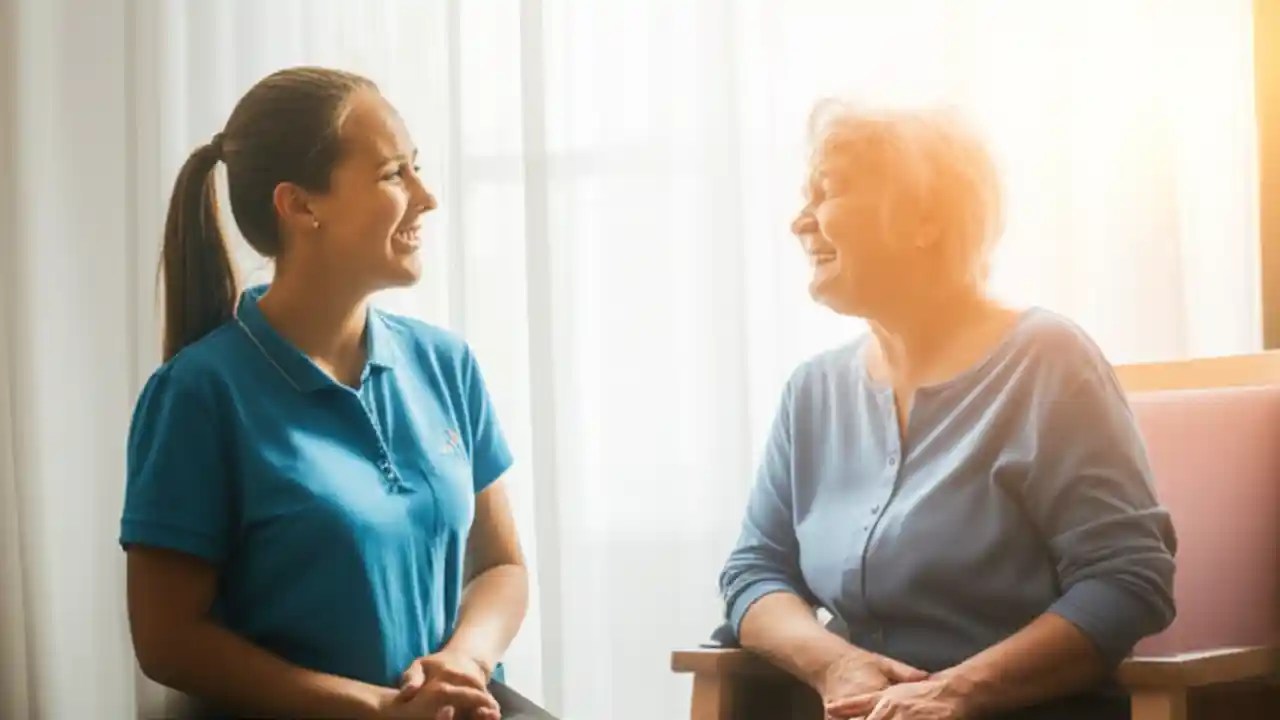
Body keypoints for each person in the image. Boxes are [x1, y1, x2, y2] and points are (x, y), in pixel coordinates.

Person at [120, 67, 555, 720]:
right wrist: (374, 709)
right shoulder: (198, 396)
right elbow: (168, 642)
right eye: (393, 175)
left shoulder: (446, 364)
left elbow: (501, 568)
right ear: (300, 205)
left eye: (416, 167)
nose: (426, 196)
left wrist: (463, 662)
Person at [718, 102, 1177, 720]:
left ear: (923, 219)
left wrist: (955, 693)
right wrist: (835, 663)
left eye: (826, 193)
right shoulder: (813, 391)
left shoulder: (1047, 361)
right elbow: (756, 571)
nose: (800, 222)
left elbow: (1127, 582)